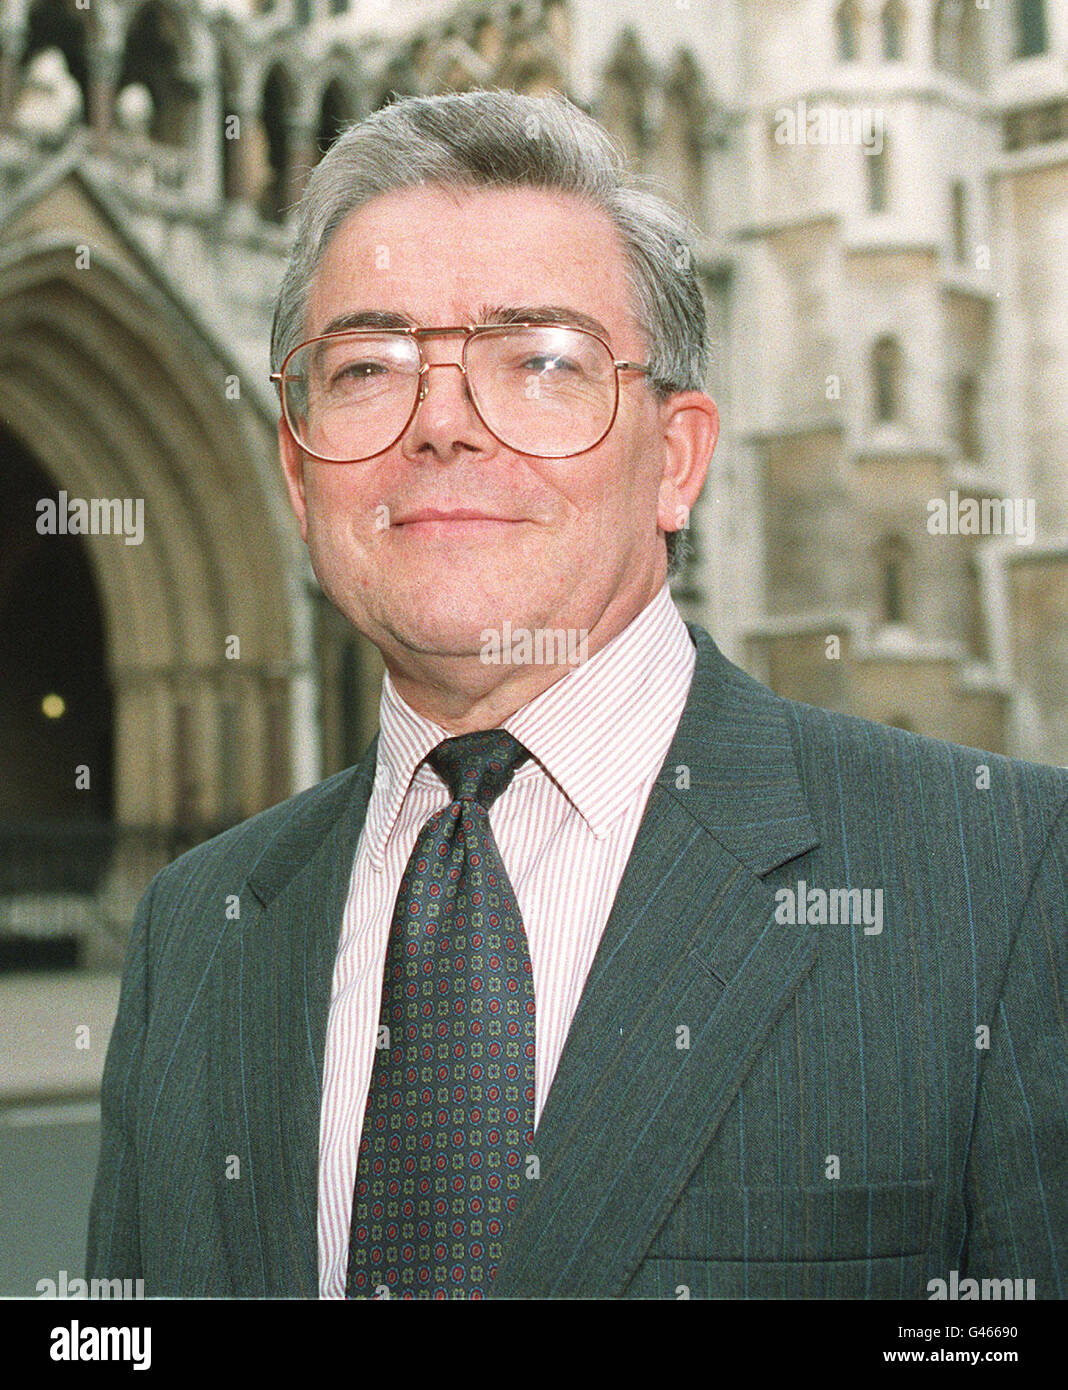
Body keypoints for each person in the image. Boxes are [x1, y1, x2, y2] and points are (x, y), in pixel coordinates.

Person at [86, 89, 1067, 1300]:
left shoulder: (1011, 874)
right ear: (297, 473)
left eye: (541, 360)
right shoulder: (194, 930)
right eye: (367, 366)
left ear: (676, 458)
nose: (441, 421)